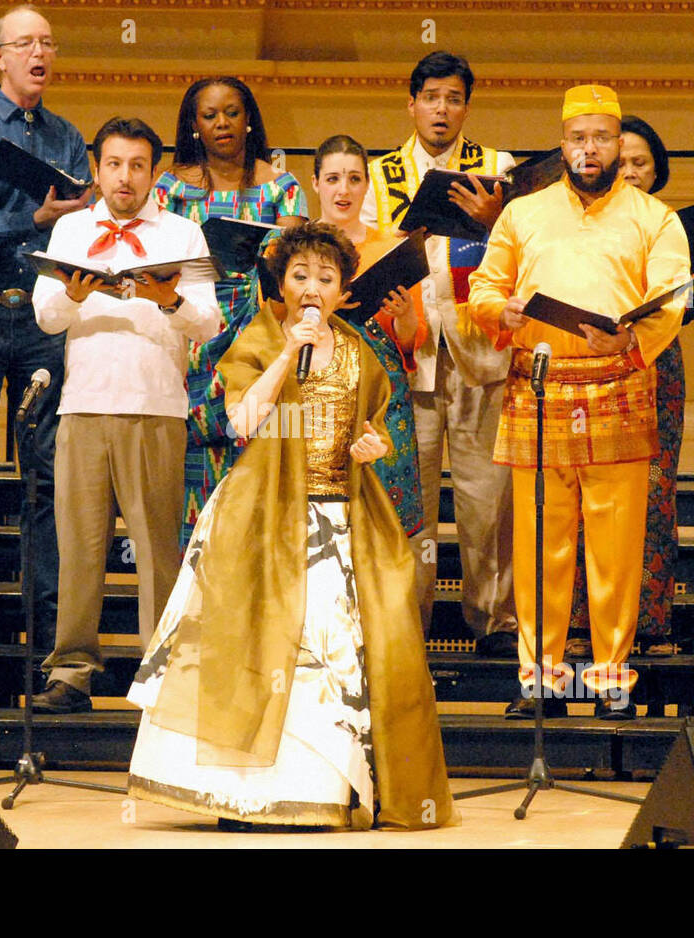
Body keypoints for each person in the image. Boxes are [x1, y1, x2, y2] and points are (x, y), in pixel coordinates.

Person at [126, 221, 454, 831]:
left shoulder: (362, 350)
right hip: (261, 514)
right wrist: (286, 352)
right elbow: (244, 419)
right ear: (282, 283)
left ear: (342, 289)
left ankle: (316, 791)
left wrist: (370, 444)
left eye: (326, 279)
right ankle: (235, 793)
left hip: (339, 518)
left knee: (329, 653)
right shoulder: (257, 339)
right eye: (300, 276)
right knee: (254, 642)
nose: (312, 288)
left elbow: (378, 427)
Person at [469, 85, 690, 720]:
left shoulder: (655, 218)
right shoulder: (524, 213)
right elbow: (485, 286)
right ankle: (541, 678)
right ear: (562, 144)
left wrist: (630, 335)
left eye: (600, 137)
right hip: (540, 384)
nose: (588, 149)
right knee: (542, 539)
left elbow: (671, 298)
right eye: (577, 138)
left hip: (618, 384)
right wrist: (499, 308)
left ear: (619, 143)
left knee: (615, 543)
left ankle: (611, 676)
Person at [29, 117, 219, 714]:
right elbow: (46, 317)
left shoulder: (184, 233)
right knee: (80, 546)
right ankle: (72, 671)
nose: (125, 177)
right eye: (114, 164)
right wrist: (78, 292)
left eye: (137, 165)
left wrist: (170, 298)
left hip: (157, 406)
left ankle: (160, 672)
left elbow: (209, 323)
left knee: (158, 550)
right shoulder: (69, 230)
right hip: (83, 405)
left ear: (153, 172)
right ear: (97, 168)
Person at [0, 3, 92, 654]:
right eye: (25, 42)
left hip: (42, 316)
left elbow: (80, 226)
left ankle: (49, 640)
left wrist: (66, 218)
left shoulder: (66, 137)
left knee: (47, 477)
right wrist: (42, 216)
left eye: (48, 43)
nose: (40, 52)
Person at [361, 50, 518, 650]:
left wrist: (496, 216)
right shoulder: (380, 176)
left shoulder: (496, 168)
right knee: (411, 496)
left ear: (466, 106)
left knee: (487, 499)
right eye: (431, 97)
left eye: (454, 98)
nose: (442, 109)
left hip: (480, 352)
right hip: (410, 351)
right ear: (412, 104)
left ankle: (495, 619)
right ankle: (408, 620)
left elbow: (519, 255)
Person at [155, 76, 307, 549]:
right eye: (209, 115)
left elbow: (292, 266)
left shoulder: (282, 186)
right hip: (187, 321)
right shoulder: (169, 188)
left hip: (256, 324)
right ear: (194, 126)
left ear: (248, 120)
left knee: (256, 441)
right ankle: (195, 583)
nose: (222, 123)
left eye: (232, 112)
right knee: (192, 452)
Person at [567, 115, 682, 656]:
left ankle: (652, 622)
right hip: (586, 357)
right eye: (624, 161)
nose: (631, 172)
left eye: (642, 163)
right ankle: (579, 625)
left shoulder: (663, 224)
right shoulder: (577, 219)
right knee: (586, 486)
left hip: (653, 355)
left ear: (656, 171)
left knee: (653, 483)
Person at [311, 134, 427, 535]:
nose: (344, 190)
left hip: (382, 399)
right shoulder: (292, 248)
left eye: (355, 179)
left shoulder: (391, 247)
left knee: (385, 527)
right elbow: (273, 326)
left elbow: (411, 340)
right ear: (316, 184)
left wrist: (406, 313)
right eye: (333, 179)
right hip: (314, 395)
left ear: (367, 185)